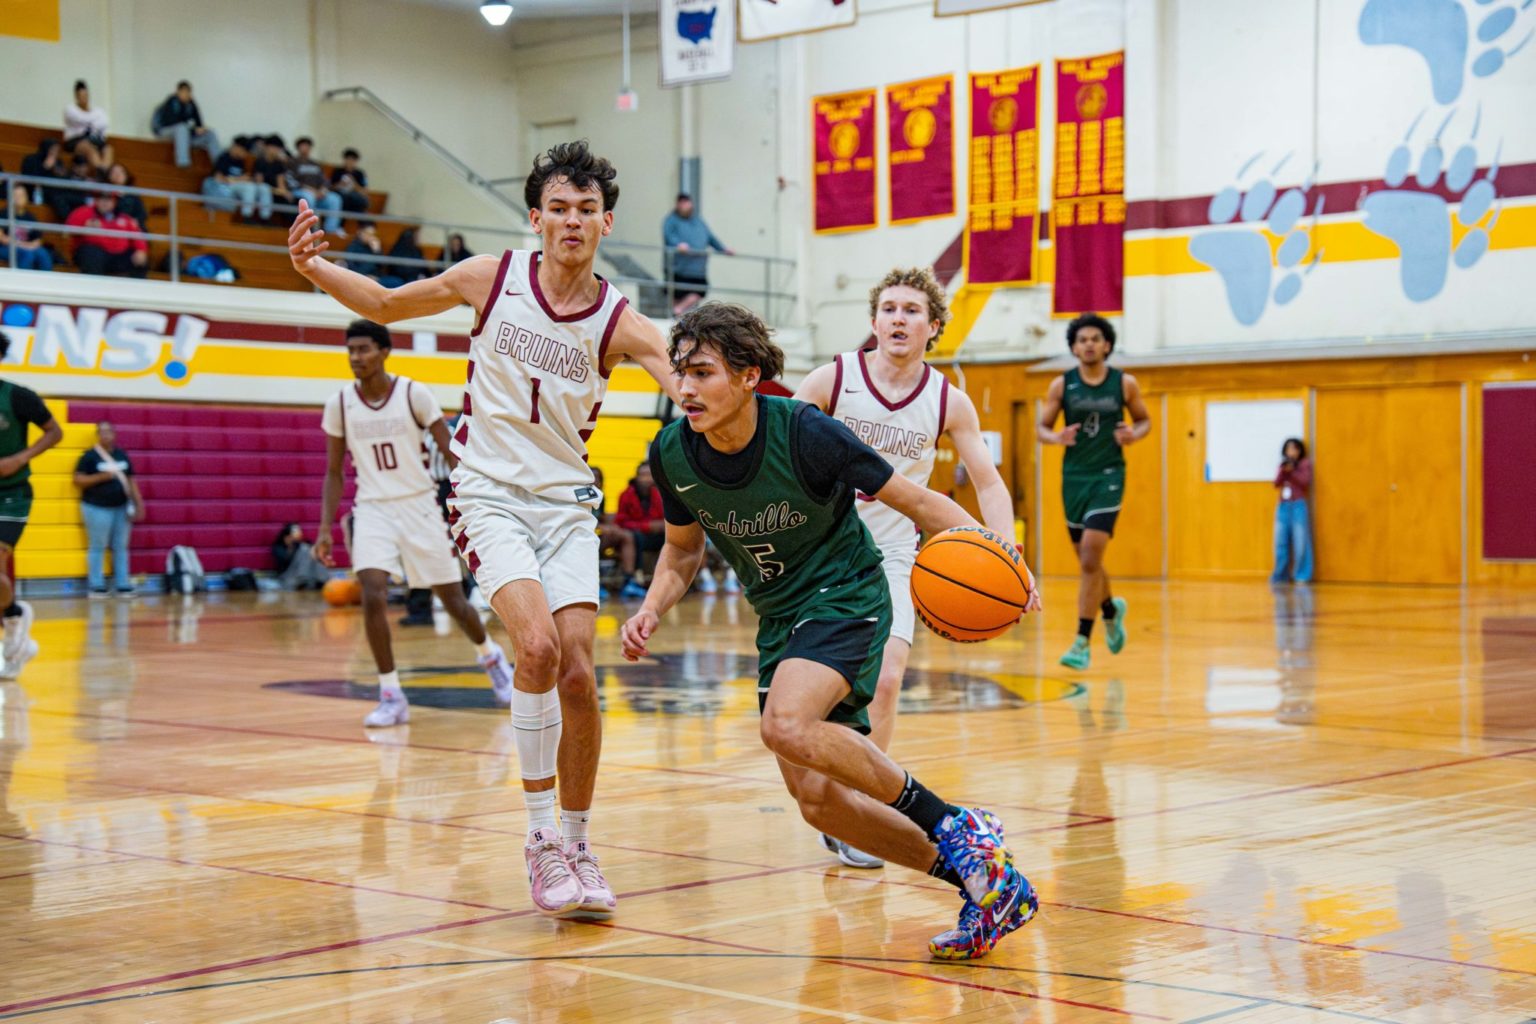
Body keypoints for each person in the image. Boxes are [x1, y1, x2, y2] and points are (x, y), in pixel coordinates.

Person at [288, 139, 680, 920]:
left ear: (607, 222)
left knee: (577, 673)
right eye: (558, 209)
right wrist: (313, 269)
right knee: (533, 648)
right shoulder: (490, 279)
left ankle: (577, 840)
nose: (572, 221)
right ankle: (539, 842)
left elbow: (692, 391)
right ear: (536, 218)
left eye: (586, 210)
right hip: (486, 493)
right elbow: (387, 304)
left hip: (567, 504)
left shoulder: (623, 322)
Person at [621, 303, 1039, 960]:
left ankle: (955, 823)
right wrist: (651, 608)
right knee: (820, 803)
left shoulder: (806, 434)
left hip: (847, 594)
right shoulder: (673, 451)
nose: (687, 388)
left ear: (749, 375)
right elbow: (680, 552)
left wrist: (1001, 559)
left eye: (703, 373)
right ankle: (985, 883)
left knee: (784, 725)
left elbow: (923, 503)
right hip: (781, 616)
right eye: (681, 373)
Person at [795, 266, 1036, 868]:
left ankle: (858, 812)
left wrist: (1008, 557)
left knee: (888, 676)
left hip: (897, 552)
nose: (899, 319)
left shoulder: (947, 400)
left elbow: (988, 481)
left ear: (933, 326)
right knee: (819, 695)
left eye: (912, 310)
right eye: (890, 309)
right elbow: (777, 444)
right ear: (873, 320)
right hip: (821, 549)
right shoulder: (833, 378)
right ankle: (831, 795)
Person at [315, 319, 513, 726]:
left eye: (365, 349)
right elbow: (334, 472)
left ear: (385, 351)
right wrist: (323, 529)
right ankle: (390, 693)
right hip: (372, 508)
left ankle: (491, 658)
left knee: (453, 600)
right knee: (372, 591)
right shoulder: (339, 404)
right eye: (351, 350)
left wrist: (476, 498)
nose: (357, 357)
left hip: (420, 506)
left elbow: (450, 450)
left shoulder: (412, 394)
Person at [1037, 314, 1151, 671]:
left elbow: (1144, 419)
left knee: (1089, 556)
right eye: (1082, 339)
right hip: (1074, 476)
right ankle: (1110, 610)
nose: (1088, 343)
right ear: (1073, 346)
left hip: (1109, 475)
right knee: (1088, 560)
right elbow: (1042, 427)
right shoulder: (1062, 385)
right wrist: (1056, 437)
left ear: (1106, 345)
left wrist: (1134, 433)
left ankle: (1082, 641)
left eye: (1095, 338)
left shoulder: (1124, 383)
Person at [0, 331, 64, 680]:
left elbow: (55, 433)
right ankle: (14, 618)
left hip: (10, 493)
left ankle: (13, 626)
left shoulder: (18, 397)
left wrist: (20, 457)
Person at [72, 422, 143, 597]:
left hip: (121, 507)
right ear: (97, 435)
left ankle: (122, 584)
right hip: (97, 508)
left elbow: (131, 481)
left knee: (121, 547)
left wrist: (139, 503)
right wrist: (101, 477)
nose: (106, 435)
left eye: (109, 431)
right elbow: (78, 480)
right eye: (102, 432)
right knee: (97, 546)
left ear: (114, 433)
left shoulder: (122, 455)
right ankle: (96, 585)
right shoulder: (89, 456)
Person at [662, 192, 733, 316]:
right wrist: (678, 244)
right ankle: (676, 315)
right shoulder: (671, 220)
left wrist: (723, 249)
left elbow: (710, 238)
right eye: (682, 203)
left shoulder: (698, 221)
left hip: (697, 268)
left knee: (699, 290)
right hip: (678, 266)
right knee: (676, 292)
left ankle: (678, 310)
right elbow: (669, 236)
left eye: (687, 203)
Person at [65, 193, 148, 278]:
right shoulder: (84, 212)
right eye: (102, 198)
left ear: (115, 202)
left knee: (139, 259)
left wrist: (140, 250)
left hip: (117, 256)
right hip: (93, 254)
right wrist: (84, 228)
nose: (105, 202)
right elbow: (68, 231)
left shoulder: (124, 217)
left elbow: (137, 235)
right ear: (96, 200)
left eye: (109, 199)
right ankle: (93, 287)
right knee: (92, 253)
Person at [589, 466, 638, 601]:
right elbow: (579, 519)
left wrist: (610, 524)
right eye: (592, 478)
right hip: (581, 536)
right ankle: (593, 585)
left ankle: (629, 582)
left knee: (626, 536)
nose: (594, 481)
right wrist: (602, 526)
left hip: (597, 534)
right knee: (592, 541)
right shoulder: (580, 494)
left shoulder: (600, 496)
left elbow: (601, 516)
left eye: (597, 478)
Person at [615, 461, 665, 592]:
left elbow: (665, 517)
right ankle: (634, 579)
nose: (646, 479)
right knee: (634, 538)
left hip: (656, 535)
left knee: (676, 537)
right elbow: (621, 521)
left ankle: (668, 579)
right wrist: (646, 526)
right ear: (637, 476)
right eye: (643, 475)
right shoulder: (625, 495)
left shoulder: (659, 494)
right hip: (637, 535)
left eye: (649, 475)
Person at [1272, 437, 1314, 584]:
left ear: (1300, 450)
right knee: (1280, 542)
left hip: (1298, 505)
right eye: (1289, 448)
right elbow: (1276, 483)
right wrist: (1284, 471)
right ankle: (1280, 575)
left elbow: (1304, 482)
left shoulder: (1304, 464)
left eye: (1295, 448)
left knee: (1301, 541)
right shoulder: (1283, 464)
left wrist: (1293, 471)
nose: (1291, 451)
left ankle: (1302, 575)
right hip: (1283, 506)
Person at [202, 137, 274, 222]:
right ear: (238, 148)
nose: (245, 155)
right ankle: (246, 216)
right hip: (225, 187)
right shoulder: (224, 157)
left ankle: (265, 217)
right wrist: (239, 179)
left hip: (236, 185)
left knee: (264, 188)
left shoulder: (240, 161)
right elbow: (219, 178)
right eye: (244, 151)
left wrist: (244, 179)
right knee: (249, 187)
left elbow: (242, 177)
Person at [151, 81, 220, 168]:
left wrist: (200, 129)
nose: (186, 94)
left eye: (188, 92)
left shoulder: (191, 104)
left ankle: (219, 166)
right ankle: (183, 162)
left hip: (184, 136)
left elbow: (198, 123)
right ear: (178, 92)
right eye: (183, 92)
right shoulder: (171, 102)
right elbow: (171, 121)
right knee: (181, 128)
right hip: (165, 131)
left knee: (210, 133)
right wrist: (193, 129)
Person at [288, 137, 344, 234]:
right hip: (299, 191)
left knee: (335, 199)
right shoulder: (291, 162)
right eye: (303, 146)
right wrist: (310, 189)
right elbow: (290, 181)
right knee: (308, 197)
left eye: (308, 146)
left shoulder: (315, 164)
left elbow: (325, 181)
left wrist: (323, 190)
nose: (305, 148)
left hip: (317, 193)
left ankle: (330, 230)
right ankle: (309, 228)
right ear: (298, 148)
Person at [1, 184, 55, 272]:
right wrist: (24, 245)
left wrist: (31, 245)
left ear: (26, 197)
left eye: (21, 195)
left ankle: (45, 282)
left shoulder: (30, 217)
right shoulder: (3, 214)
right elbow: (2, 238)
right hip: (6, 248)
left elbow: (38, 239)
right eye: (16, 195)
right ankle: (21, 282)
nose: (19, 198)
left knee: (43, 253)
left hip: (26, 247)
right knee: (27, 254)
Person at [63, 80, 114, 171]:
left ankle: (105, 171)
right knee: (88, 147)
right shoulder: (70, 109)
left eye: (85, 96)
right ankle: (99, 169)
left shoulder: (98, 111)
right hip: (75, 141)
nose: (84, 99)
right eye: (81, 96)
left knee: (108, 149)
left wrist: (90, 122)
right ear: (76, 96)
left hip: (94, 139)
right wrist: (94, 121)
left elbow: (104, 123)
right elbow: (79, 119)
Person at [20, 140, 71, 219]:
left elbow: (64, 179)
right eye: (53, 150)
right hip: (35, 191)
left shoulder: (58, 162)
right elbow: (29, 178)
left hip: (55, 190)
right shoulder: (31, 159)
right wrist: (45, 167)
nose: (55, 153)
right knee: (58, 198)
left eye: (57, 150)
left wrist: (61, 174)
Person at [271, 523, 328, 590]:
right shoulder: (278, 547)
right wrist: (291, 547)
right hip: (288, 577)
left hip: (307, 576)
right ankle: (304, 579)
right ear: (287, 536)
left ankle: (321, 579)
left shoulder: (302, 545)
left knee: (312, 550)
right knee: (305, 549)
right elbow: (285, 561)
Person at [104, 164, 147, 230]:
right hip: (111, 229)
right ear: (109, 177)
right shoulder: (105, 194)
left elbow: (142, 214)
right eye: (114, 172)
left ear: (126, 175)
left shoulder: (133, 194)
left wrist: (133, 222)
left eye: (121, 172)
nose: (118, 174)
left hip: (130, 230)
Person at [329, 148, 370, 214]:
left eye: (353, 160)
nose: (350, 162)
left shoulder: (360, 173)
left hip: (355, 198)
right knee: (341, 199)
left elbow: (365, 191)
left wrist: (354, 184)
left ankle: (366, 223)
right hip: (341, 196)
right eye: (348, 159)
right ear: (344, 160)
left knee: (362, 201)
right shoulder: (337, 171)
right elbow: (330, 187)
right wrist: (341, 184)